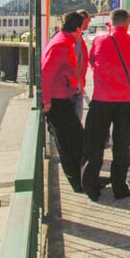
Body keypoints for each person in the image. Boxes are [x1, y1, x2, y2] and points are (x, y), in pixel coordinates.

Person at [81, 9, 130, 201]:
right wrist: (129, 83)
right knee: (122, 145)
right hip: (124, 102)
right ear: (126, 23)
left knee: (95, 144)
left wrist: (103, 79)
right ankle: (119, 187)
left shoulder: (100, 41)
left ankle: (91, 185)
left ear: (110, 23)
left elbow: (92, 62)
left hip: (100, 101)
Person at [41, 10, 85, 194]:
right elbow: (47, 73)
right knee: (70, 144)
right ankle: (78, 182)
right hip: (58, 102)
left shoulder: (62, 41)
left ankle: (81, 178)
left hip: (61, 99)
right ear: (77, 29)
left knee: (75, 141)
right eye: (81, 30)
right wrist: (46, 101)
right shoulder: (62, 45)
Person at [73, 9, 91, 122]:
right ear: (83, 19)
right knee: (76, 119)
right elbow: (76, 60)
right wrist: (79, 81)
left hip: (75, 84)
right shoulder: (77, 37)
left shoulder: (77, 36)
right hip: (75, 86)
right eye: (88, 20)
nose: (89, 23)